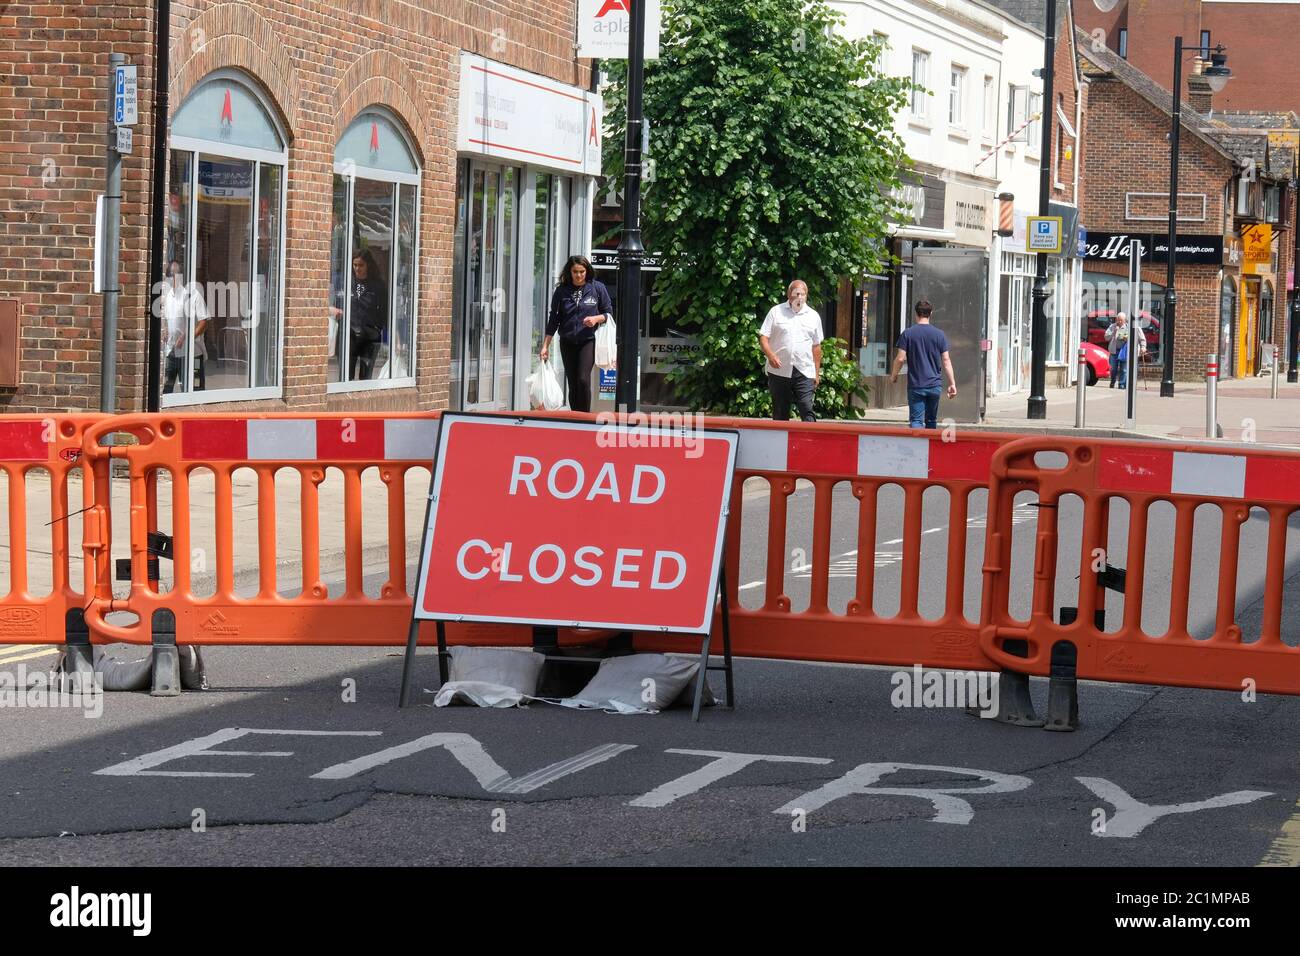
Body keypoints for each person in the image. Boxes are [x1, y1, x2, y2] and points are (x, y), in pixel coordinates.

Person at [541, 254, 613, 413]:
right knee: (573, 383)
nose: (579, 275)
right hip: (567, 341)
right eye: (575, 272)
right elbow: (554, 319)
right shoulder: (561, 291)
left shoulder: (597, 288)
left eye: (582, 271)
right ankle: (575, 417)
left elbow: (608, 314)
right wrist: (545, 346)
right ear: (570, 272)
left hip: (588, 340)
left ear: (587, 271)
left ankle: (585, 417)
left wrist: (595, 319)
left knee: (583, 379)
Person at [759, 280, 823, 422]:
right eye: (796, 293)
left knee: (806, 407)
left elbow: (816, 347)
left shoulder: (813, 316)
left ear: (806, 296)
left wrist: (816, 374)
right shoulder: (776, 312)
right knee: (780, 411)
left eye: (803, 294)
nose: (799, 297)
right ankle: (780, 442)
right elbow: (763, 338)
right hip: (779, 369)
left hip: (804, 370)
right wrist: (770, 355)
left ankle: (810, 441)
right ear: (789, 294)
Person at [890, 299, 957, 430]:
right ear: (930, 313)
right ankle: (930, 449)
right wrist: (952, 383)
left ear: (916, 313)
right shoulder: (939, 335)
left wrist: (894, 375)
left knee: (916, 421)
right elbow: (946, 360)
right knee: (931, 420)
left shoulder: (908, 334)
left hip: (916, 385)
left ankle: (918, 448)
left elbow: (900, 359)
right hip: (934, 385)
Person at [332, 250, 387, 380]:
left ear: (368, 265)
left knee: (365, 377)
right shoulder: (345, 282)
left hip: (369, 337)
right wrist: (335, 311)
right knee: (346, 376)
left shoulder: (377, 286)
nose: (357, 268)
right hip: (348, 335)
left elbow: (385, 313)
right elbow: (335, 302)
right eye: (355, 265)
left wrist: (386, 337)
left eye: (361, 265)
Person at [161, 260, 207, 394]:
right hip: (171, 352)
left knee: (194, 390)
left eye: (173, 276)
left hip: (192, 353)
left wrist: (187, 338)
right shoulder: (167, 297)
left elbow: (203, 322)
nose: (170, 280)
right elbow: (165, 319)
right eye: (169, 276)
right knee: (165, 391)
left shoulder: (192, 296)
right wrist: (164, 332)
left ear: (179, 277)